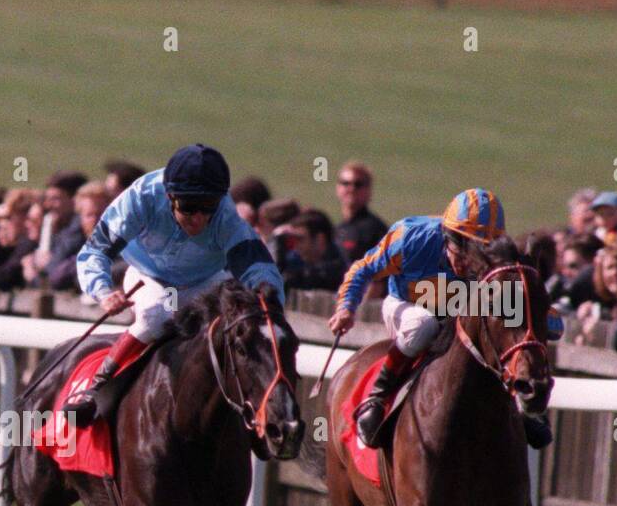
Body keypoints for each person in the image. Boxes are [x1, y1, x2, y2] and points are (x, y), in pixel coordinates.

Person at [66, 143, 284, 426]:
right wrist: (104, 291)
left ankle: (258, 414)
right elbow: (94, 251)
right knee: (156, 316)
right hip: (149, 275)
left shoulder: (227, 217)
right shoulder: (140, 198)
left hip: (206, 280)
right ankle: (96, 390)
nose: (198, 218)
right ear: (169, 196)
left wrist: (269, 301)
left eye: (208, 209)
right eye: (189, 207)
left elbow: (260, 267)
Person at [328, 188, 552, 449]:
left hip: (459, 315)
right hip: (407, 304)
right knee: (423, 325)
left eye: (481, 249)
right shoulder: (410, 238)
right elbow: (362, 269)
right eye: (463, 246)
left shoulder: (497, 264)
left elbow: (519, 312)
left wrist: (542, 324)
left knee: (495, 333)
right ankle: (378, 396)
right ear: (447, 235)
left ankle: (522, 411)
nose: (470, 259)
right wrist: (346, 308)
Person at [276, 208, 348, 292]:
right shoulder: (296, 259)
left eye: (300, 239)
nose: (296, 246)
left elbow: (311, 277)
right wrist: (278, 243)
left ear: (320, 239)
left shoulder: (338, 269)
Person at [333, 161, 387, 264]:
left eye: (358, 184)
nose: (351, 189)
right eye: (345, 183)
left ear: (369, 190)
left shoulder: (375, 230)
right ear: (338, 188)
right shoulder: (338, 229)